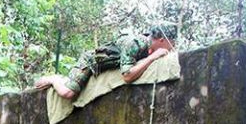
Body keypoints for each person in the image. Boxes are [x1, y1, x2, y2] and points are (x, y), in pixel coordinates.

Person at [35, 23, 177, 100]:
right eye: (171, 44)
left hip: (106, 65)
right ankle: (54, 79)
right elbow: (127, 76)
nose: (172, 48)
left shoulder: (149, 48)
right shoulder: (135, 43)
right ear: (162, 40)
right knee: (68, 93)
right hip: (90, 62)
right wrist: (153, 57)